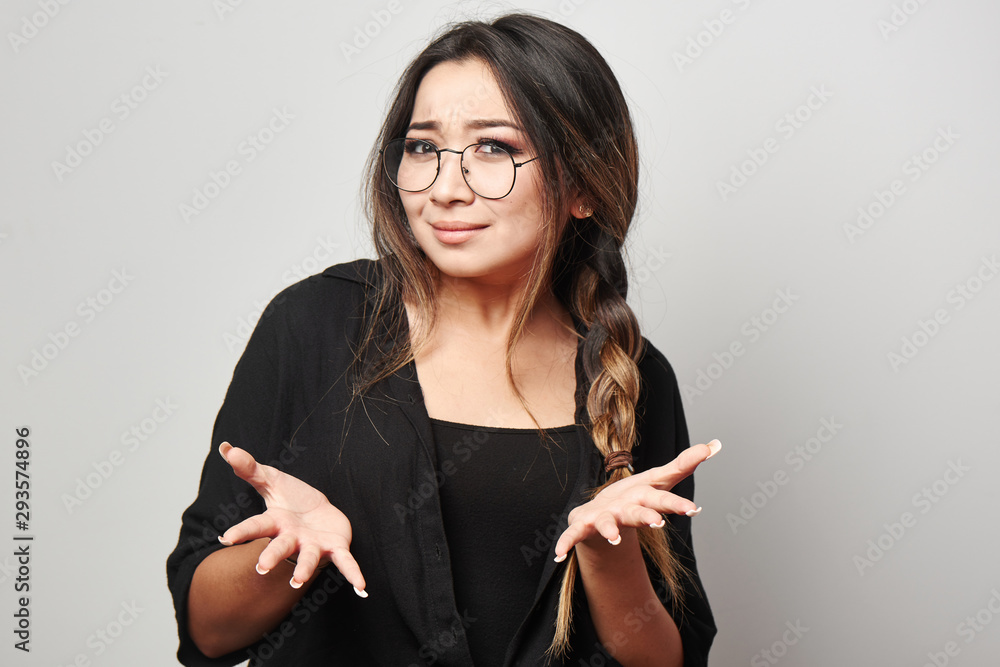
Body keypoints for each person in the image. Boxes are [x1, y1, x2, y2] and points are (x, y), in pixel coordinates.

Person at [166, 12, 718, 667]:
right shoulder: (313, 323)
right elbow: (207, 632)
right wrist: (282, 556)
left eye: (495, 149)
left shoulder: (632, 373)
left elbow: (668, 660)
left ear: (584, 187)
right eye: (422, 147)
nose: (445, 189)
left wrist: (610, 560)